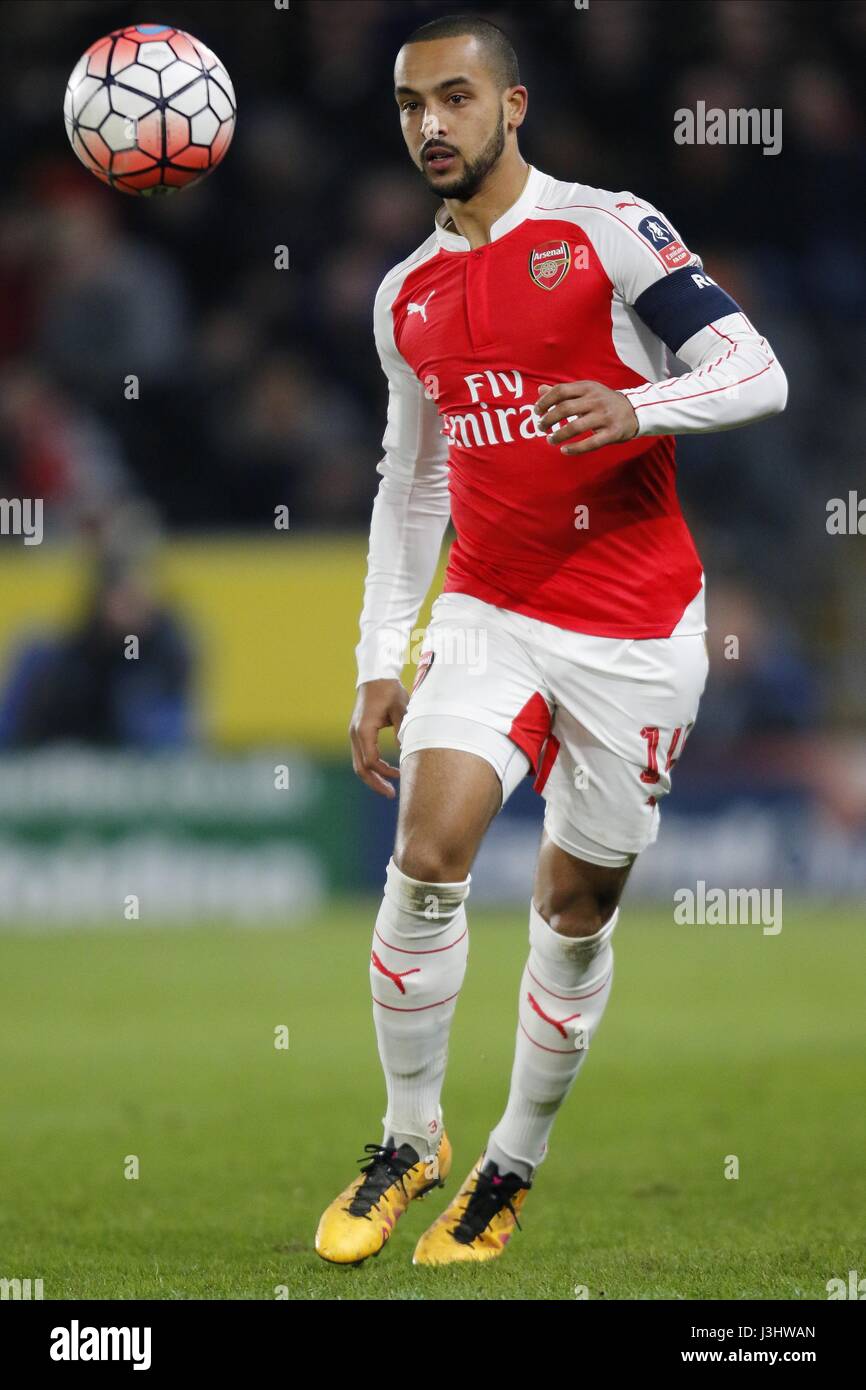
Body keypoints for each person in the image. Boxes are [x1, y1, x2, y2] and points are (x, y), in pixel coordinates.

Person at [315, 14, 787, 1267]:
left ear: (511, 105)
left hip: (633, 626)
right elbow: (411, 483)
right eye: (410, 105)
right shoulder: (403, 294)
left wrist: (637, 404)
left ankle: (508, 1162)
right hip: (487, 610)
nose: (430, 125)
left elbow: (755, 370)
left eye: (455, 97)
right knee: (427, 852)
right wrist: (378, 655)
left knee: (573, 909)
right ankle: (407, 1138)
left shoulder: (607, 229)